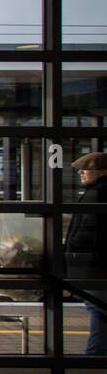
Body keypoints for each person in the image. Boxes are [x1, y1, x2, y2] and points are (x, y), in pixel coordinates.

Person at [66, 152, 107, 354]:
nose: (81, 173)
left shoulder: (96, 194)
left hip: (95, 267)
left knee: (98, 311)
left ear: (102, 171)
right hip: (98, 265)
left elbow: (86, 231)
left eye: (87, 169)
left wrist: (69, 250)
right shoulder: (96, 191)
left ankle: (92, 362)